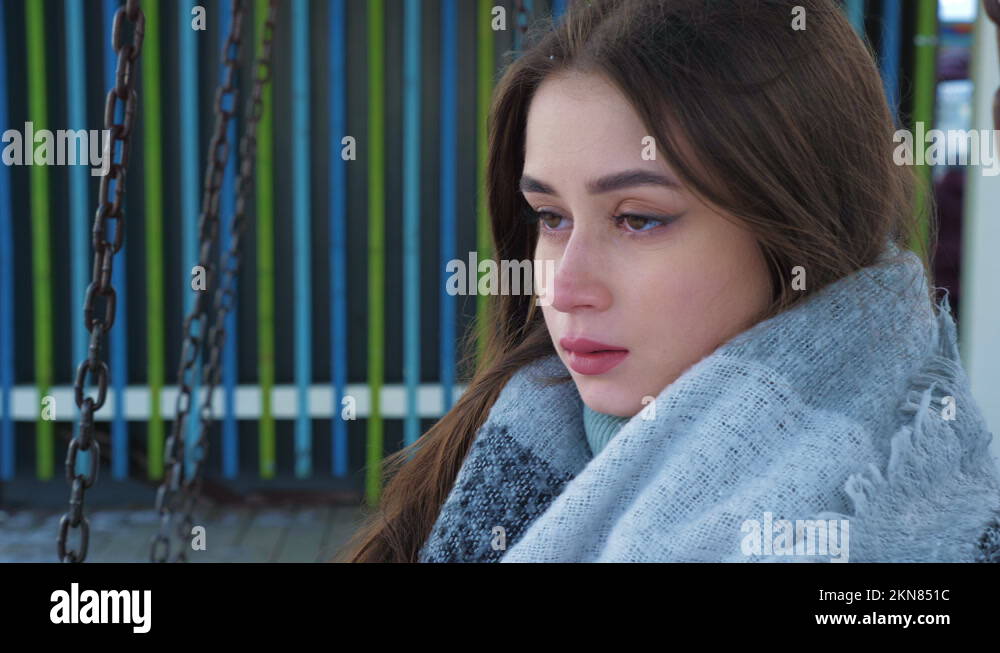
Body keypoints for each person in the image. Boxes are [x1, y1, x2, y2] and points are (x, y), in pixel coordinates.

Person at [337, 0, 1000, 562]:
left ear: (793, 228)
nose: (564, 289)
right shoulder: (516, 430)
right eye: (550, 216)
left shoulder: (913, 538)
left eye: (638, 220)